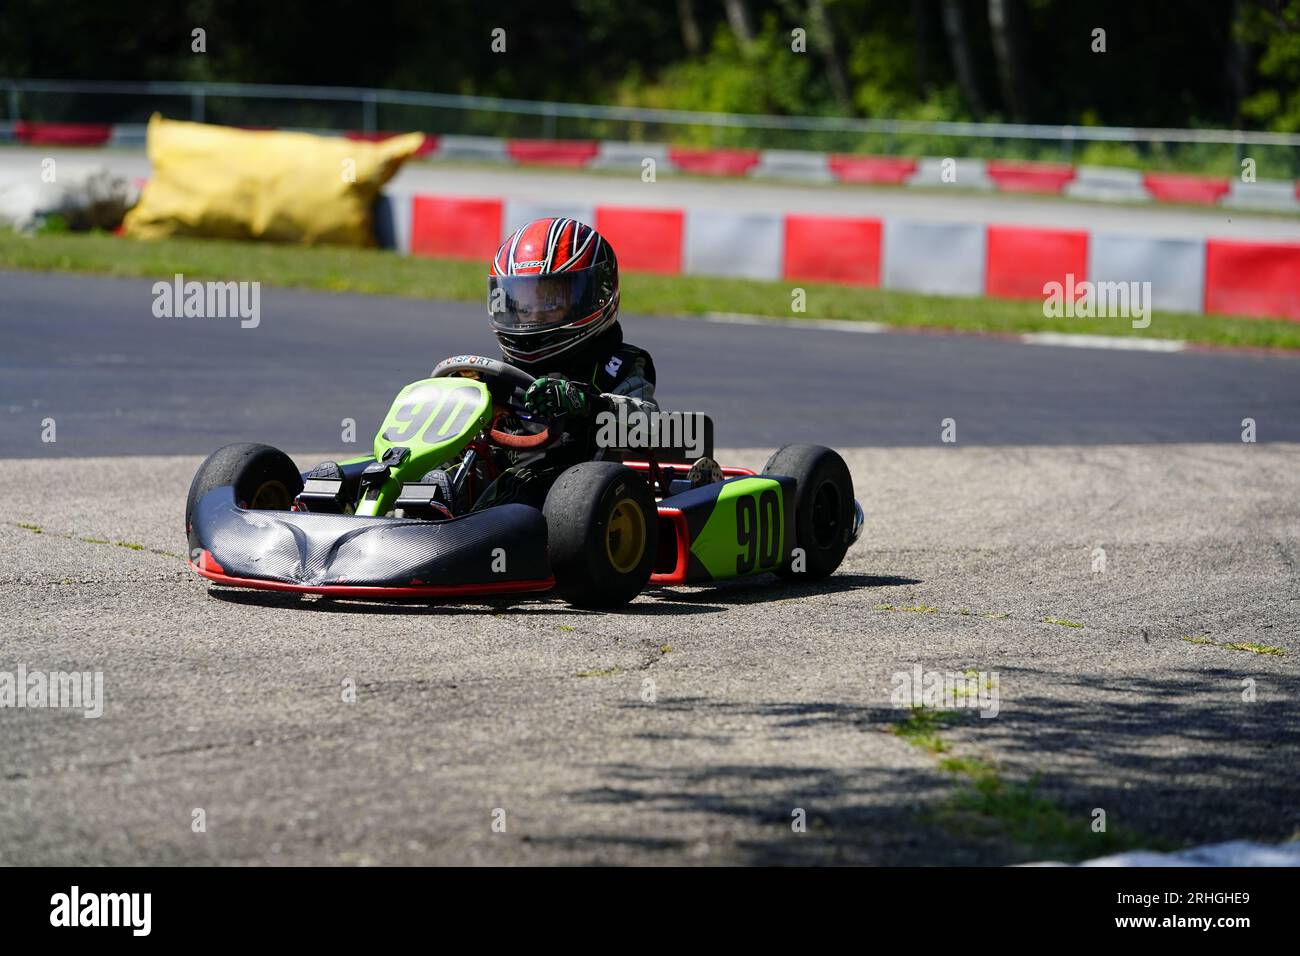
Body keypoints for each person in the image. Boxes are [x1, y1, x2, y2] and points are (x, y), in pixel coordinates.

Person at [470, 217, 661, 510]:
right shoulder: (502, 375)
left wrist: (586, 403)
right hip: (502, 476)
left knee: (516, 488)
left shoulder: (619, 365)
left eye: (549, 302)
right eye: (523, 304)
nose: (533, 315)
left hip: (574, 496)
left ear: (595, 296)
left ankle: (452, 534)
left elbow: (653, 428)